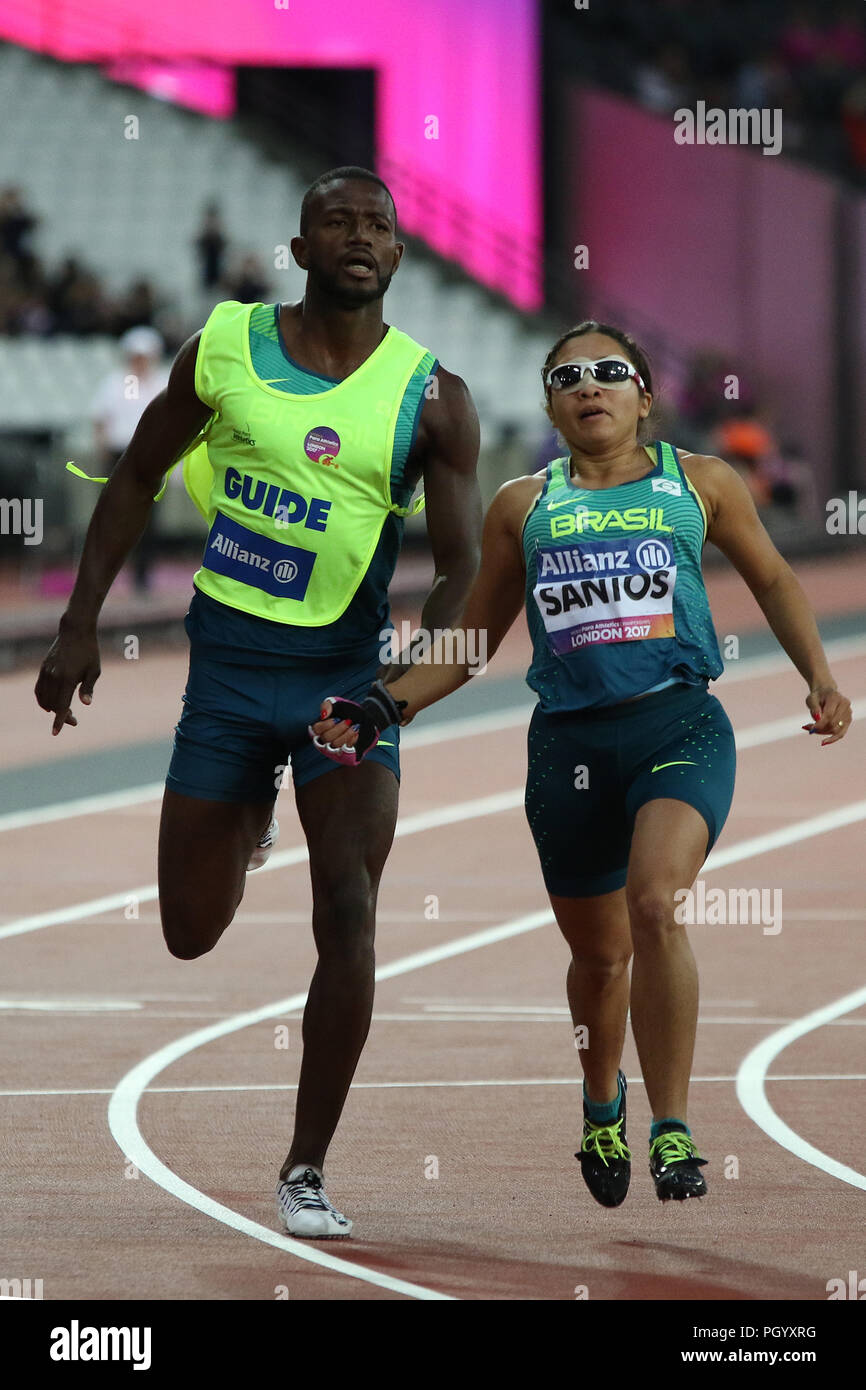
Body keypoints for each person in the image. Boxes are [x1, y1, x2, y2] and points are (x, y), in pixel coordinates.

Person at [312, 320, 852, 1207]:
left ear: (645, 394)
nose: (589, 387)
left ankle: (672, 1131)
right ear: (551, 405)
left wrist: (821, 678)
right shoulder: (523, 505)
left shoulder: (700, 482)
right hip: (567, 750)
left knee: (655, 904)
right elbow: (476, 635)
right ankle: (603, 1101)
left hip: (678, 727)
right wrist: (386, 702)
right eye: (568, 377)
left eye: (609, 373)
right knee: (599, 962)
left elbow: (775, 580)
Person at [35, 167, 482, 1237]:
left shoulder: (434, 396)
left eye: (377, 224)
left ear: (399, 256)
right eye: (338, 220)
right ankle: (249, 817)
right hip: (228, 679)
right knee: (189, 932)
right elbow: (139, 474)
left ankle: (305, 1169)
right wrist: (79, 620)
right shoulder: (226, 347)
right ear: (301, 241)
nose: (359, 236)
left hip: (344, 691)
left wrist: (399, 691)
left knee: (351, 908)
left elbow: (463, 568)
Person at [90, 326, 170, 592]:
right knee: (111, 516)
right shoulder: (114, 382)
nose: (140, 361)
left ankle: (142, 577)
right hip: (118, 453)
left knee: (147, 519)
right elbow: (101, 419)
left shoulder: (163, 383)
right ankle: (102, 574)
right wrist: (102, 451)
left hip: (151, 455)